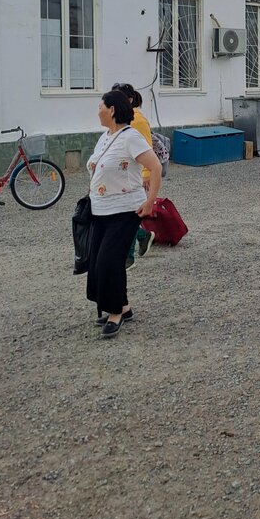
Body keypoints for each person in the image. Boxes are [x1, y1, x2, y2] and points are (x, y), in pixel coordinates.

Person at [86, 90, 161, 338]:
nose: (97, 110)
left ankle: (115, 313)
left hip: (126, 210)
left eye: (100, 106)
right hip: (101, 209)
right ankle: (124, 308)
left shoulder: (131, 137)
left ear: (112, 110)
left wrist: (150, 202)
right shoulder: (105, 137)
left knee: (110, 261)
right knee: (97, 262)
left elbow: (155, 166)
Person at [113, 83, 156, 265]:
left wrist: (147, 173)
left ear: (129, 100)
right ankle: (142, 235)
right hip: (121, 171)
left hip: (135, 173)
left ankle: (127, 256)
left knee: (129, 213)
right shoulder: (120, 118)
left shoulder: (137, 119)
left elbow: (148, 147)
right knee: (124, 213)